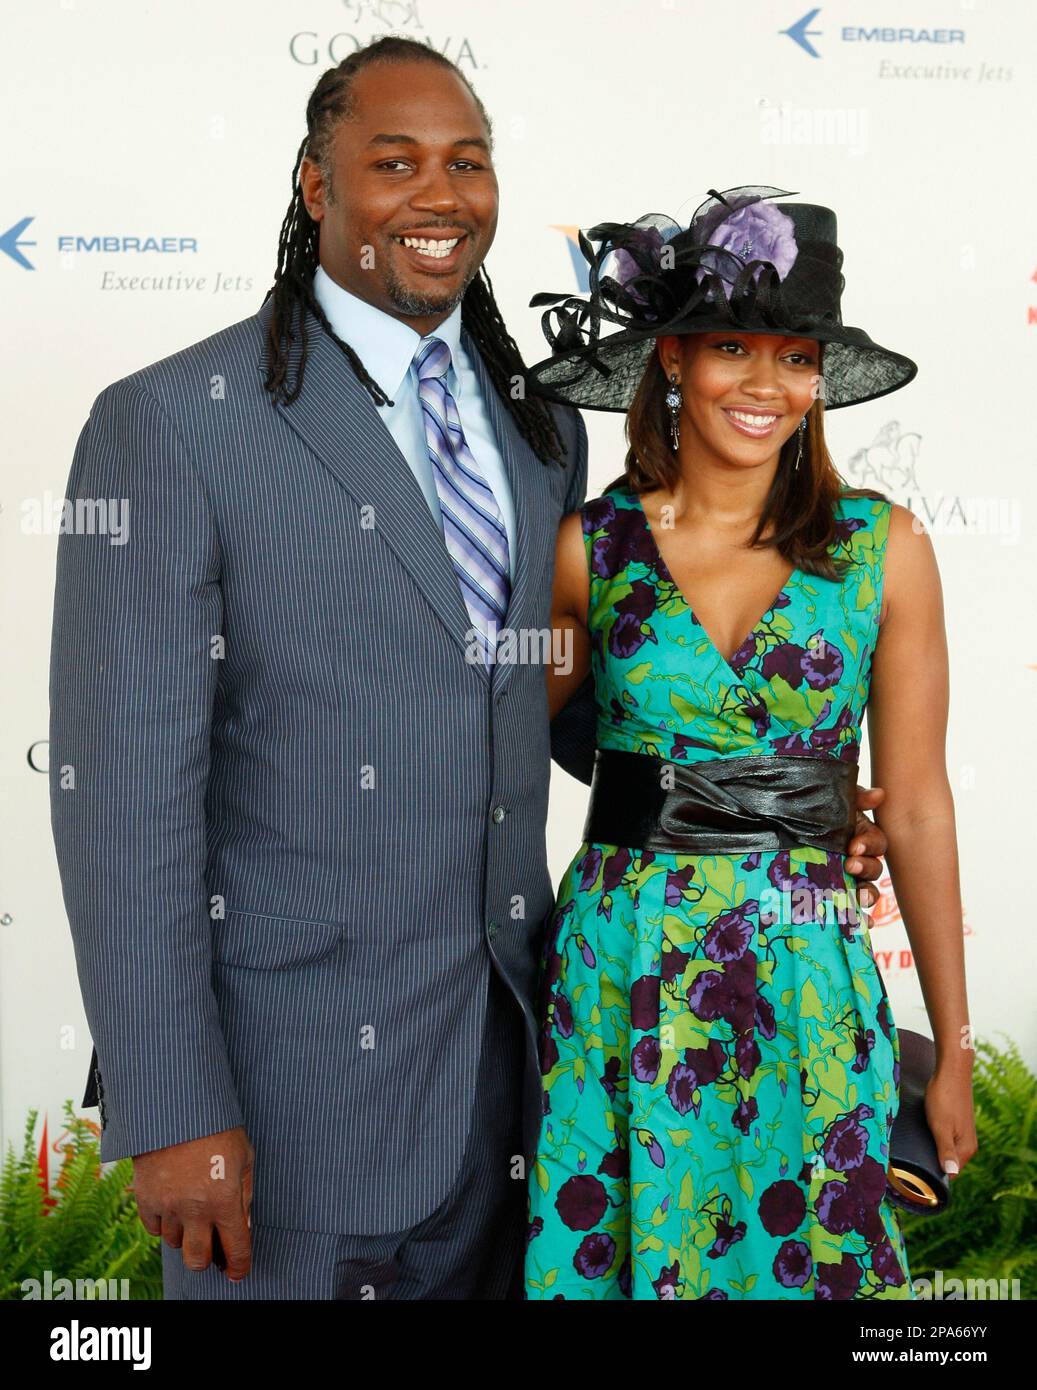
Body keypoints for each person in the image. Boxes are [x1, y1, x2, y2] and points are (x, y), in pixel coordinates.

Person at [47, 39, 889, 1301]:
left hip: (525, 1084)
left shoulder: (536, 424)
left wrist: (767, 795)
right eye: (392, 162)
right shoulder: (170, 425)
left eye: (468, 163)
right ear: (314, 186)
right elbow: (121, 797)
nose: (438, 196)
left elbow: (538, 706)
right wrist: (171, 1109)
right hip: (286, 1111)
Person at [523, 186, 976, 1300]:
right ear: (673, 359)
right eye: (732, 347)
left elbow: (913, 804)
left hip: (807, 964)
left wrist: (952, 1044)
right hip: (622, 965)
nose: (764, 385)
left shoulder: (882, 548)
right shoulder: (587, 548)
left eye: (793, 357)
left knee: (804, 1256)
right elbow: (479, 753)